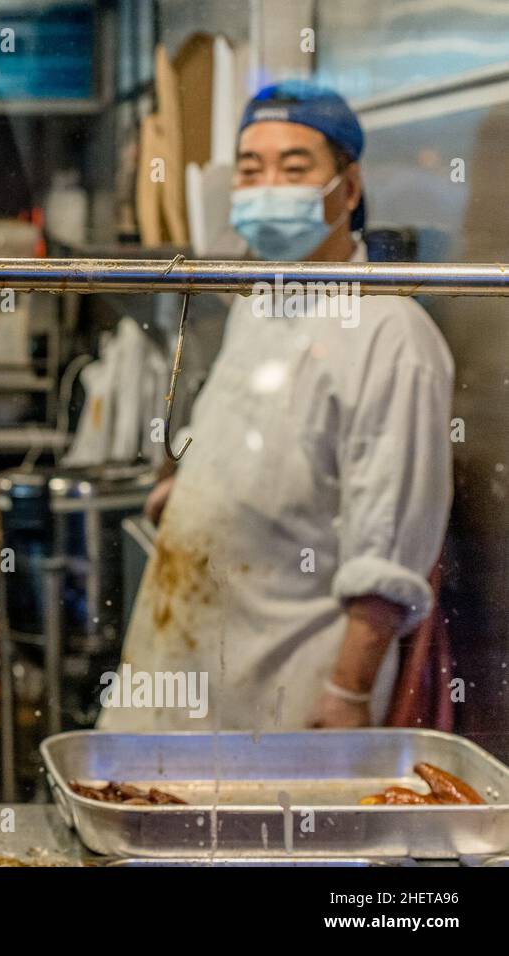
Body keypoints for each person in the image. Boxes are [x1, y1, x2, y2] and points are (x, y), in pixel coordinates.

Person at [98, 82, 453, 731]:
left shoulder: (391, 335)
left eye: (294, 169)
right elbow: (257, 447)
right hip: (178, 672)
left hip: (282, 698)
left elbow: (389, 547)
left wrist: (347, 692)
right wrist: (190, 495)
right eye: (252, 169)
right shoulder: (260, 304)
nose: (268, 186)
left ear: (348, 189)